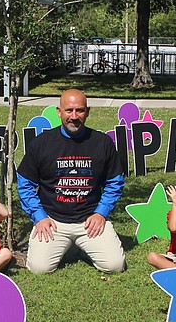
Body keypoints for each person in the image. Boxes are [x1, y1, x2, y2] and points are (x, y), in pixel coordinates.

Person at [16, 89, 125, 274]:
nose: (74, 116)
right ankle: (69, 246)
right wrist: (39, 216)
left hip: (90, 220)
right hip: (53, 221)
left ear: (87, 112)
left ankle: (83, 247)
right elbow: (24, 183)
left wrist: (101, 212)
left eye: (80, 110)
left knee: (114, 266)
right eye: (69, 110)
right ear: (59, 111)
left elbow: (115, 182)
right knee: (39, 269)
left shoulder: (102, 142)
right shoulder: (42, 143)